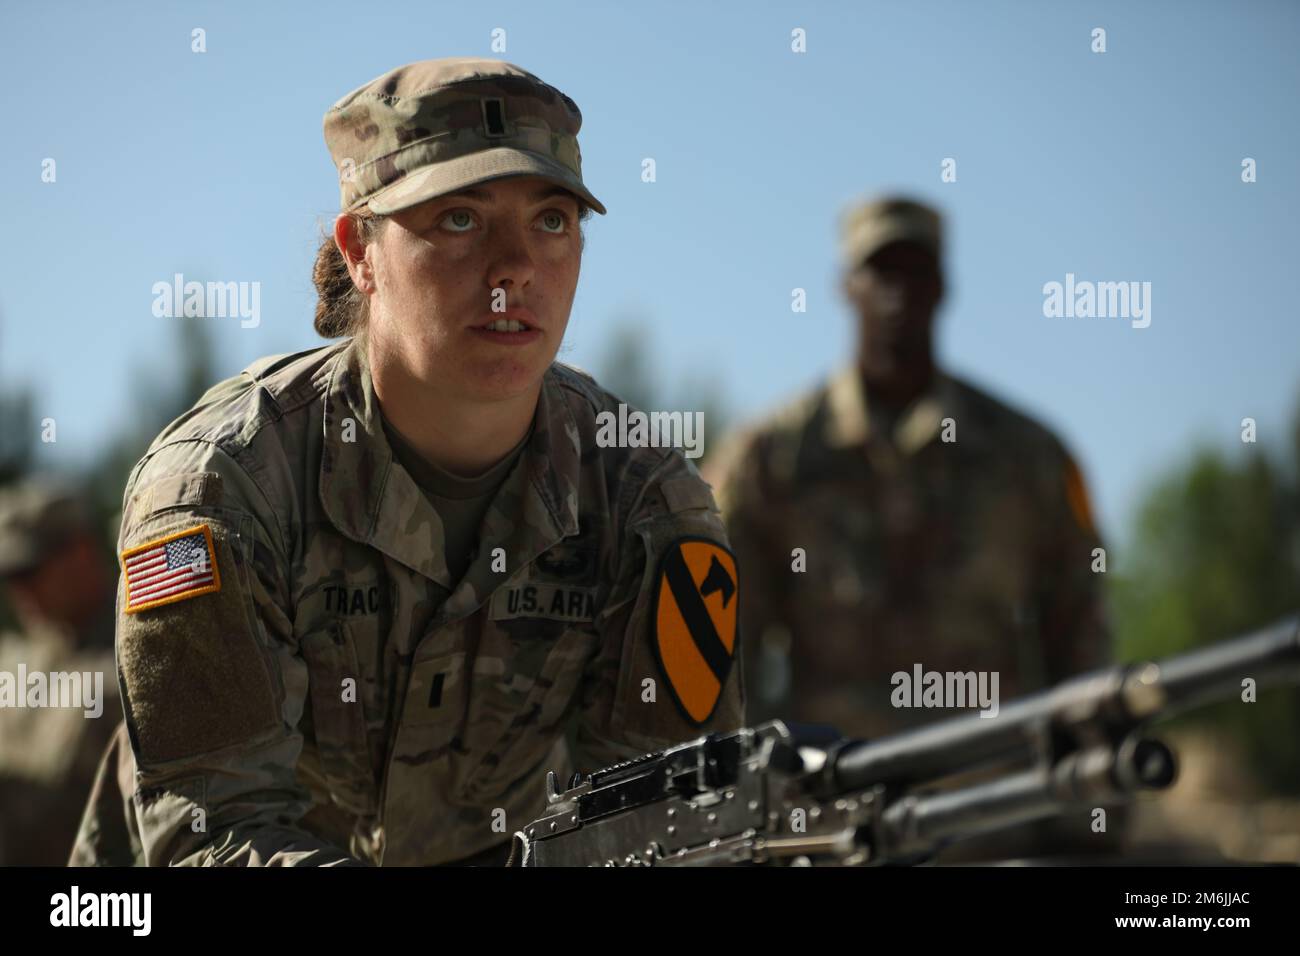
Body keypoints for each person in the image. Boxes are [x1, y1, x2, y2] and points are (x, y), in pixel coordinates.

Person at [73, 57, 743, 868]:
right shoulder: (221, 489)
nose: (515, 268)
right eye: (460, 219)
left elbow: (666, 819)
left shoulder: (646, 502)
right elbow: (211, 834)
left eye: (553, 221)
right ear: (360, 250)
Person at [706, 197, 1114, 859]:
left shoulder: (1028, 457)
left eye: (916, 272)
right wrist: (730, 822)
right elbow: (722, 654)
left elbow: (1082, 636)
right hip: (827, 824)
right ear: (846, 287)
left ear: (943, 288)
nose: (897, 293)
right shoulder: (771, 460)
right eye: (879, 271)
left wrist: (1091, 816)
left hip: (993, 822)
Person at [0, 481, 118, 864]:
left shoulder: (133, 655)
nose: (21, 591)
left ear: (81, 553)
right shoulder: (18, 656)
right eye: (11, 578)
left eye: (31, 571)